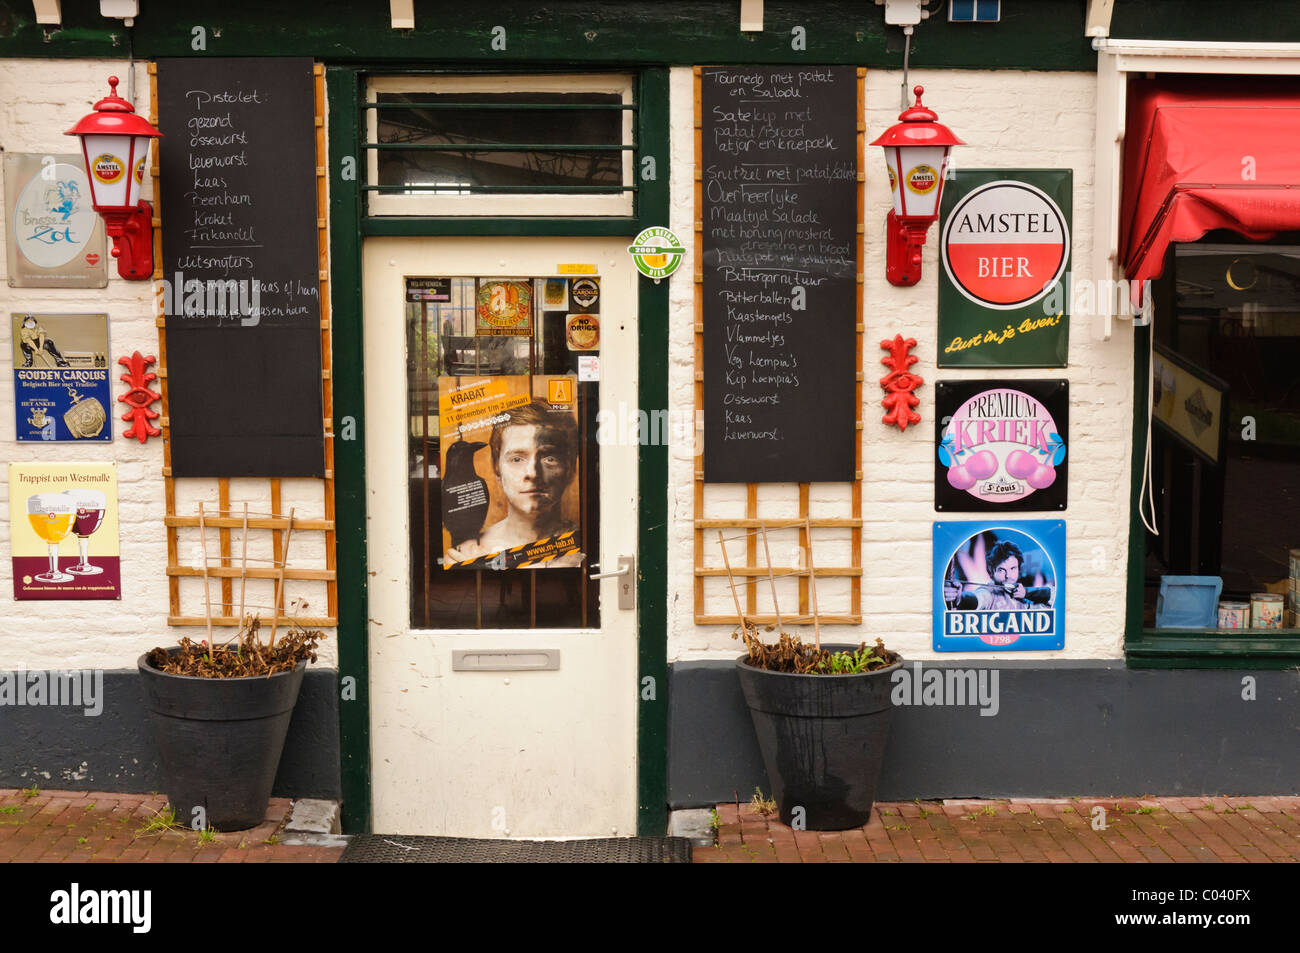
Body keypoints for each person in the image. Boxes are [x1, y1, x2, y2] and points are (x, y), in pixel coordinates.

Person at [444, 398, 582, 567]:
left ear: (570, 469)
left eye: (549, 458)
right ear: (497, 469)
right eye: (517, 459)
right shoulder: (466, 553)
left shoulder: (588, 545)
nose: (532, 473)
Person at [944, 540, 1052, 610]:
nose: (1008, 576)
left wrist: (1027, 593)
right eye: (1001, 570)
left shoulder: (1023, 598)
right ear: (991, 572)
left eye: (1013, 568)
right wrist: (959, 598)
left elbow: (1054, 594)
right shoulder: (989, 593)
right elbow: (978, 598)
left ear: (1019, 569)